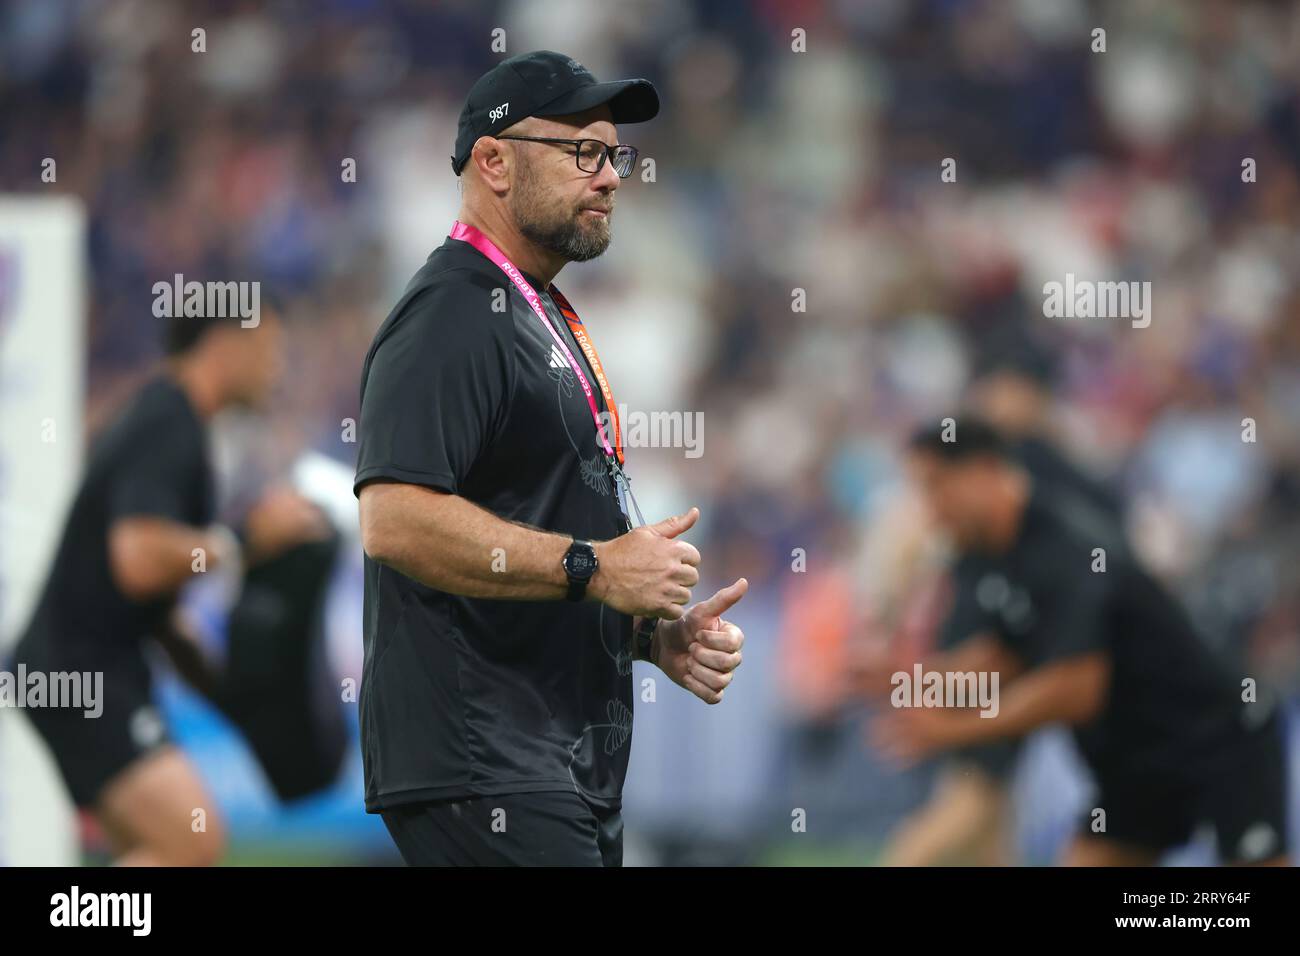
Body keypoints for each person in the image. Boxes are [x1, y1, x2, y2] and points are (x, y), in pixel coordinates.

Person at [354, 50, 747, 867]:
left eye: (615, 155)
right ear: (493, 162)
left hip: (551, 757)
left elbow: (521, 529)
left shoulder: (535, 312)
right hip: (486, 756)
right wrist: (596, 567)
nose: (608, 177)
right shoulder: (450, 315)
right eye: (582, 152)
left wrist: (642, 635)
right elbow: (393, 520)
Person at [871, 417, 1290, 866]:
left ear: (985, 471)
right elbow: (1006, 658)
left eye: (936, 486)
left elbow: (1074, 689)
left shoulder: (1070, 548)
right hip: (1133, 759)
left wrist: (955, 728)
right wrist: (911, 682)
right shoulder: (991, 555)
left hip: (1218, 739)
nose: (929, 508)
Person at [9, 299, 330, 865]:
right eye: (268, 351)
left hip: (82, 670)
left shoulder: (175, 421)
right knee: (190, 839)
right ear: (226, 343)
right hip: (79, 670)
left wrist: (224, 690)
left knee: (153, 846)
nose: (276, 371)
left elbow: (154, 607)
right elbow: (136, 559)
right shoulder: (170, 418)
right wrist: (245, 539)